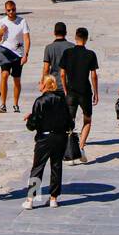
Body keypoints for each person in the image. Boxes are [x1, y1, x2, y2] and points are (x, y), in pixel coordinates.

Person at [23, 75, 73, 209]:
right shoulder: (61, 100)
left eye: (40, 82)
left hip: (44, 138)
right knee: (56, 167)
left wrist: (30, 118)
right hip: (59, 137)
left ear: (45, 85)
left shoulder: (40, 101)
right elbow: (70, 122)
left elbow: (32, 125)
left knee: (38, 167)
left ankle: (30, 199)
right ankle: (53, 198)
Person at [58, 27, 99, 163]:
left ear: (75, 38)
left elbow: (62, 73)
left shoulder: (67, 53)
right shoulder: (90, 54)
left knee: (70, 121)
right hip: (85, 91)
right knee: (87, 119)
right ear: (86, 39)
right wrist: (96, 92)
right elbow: (93, 75)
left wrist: (64, 89)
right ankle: (81, 146)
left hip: (71, 91)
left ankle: (70, 154)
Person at [0, 0, 30, 113]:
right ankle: (3, 104)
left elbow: (27, 39)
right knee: (4, 75)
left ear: (15, 9)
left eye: (13, 10)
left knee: (16, 80)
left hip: (18, 54)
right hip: (5, 53)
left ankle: (15, 104)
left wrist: (26, 55)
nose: (11, 12)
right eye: (9, 10)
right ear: (5, 11)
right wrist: (1, 32)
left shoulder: (22, 21)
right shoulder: (2, 22)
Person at [41, 22, 74, 96]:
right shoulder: (72, 47)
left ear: (54, 33)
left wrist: (43, 83)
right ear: (66, 33)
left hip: (54, 85)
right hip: (69, 85)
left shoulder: (49, 48)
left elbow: (46, 69)